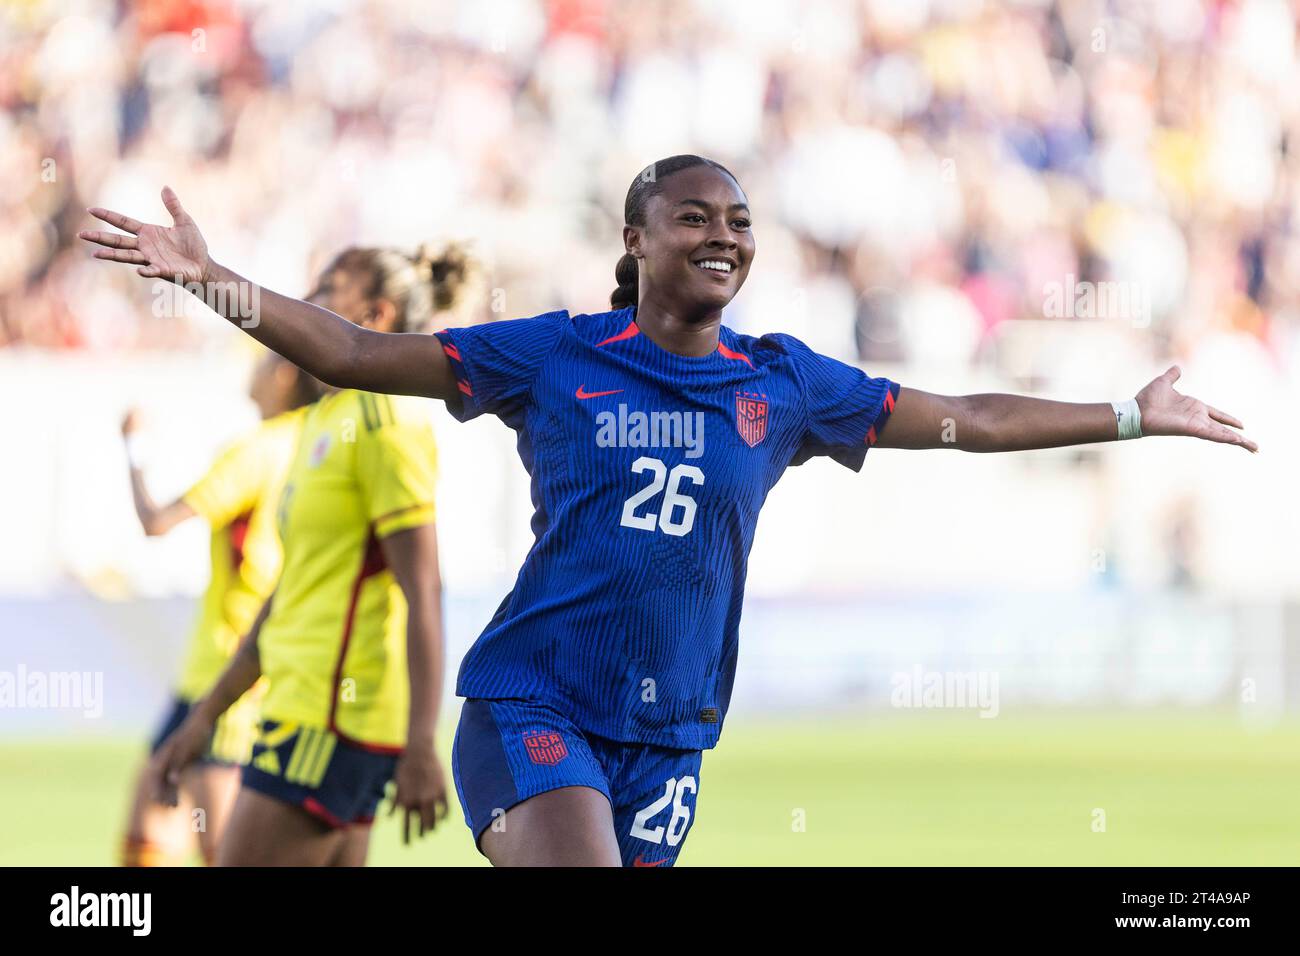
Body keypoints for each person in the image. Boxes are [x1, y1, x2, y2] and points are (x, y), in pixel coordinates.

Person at [81, 155, 1257, 867]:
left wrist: (1125, 411)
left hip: (673, 734)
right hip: (531, 703)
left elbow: (965, 417)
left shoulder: (783, 382)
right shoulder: (552, 356)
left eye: (737, 221)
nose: (723, 237)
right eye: (693, 218)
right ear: (635, 240)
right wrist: (206, 274)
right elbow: (351, 347)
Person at [144, 246, 470, 865]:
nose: (309, 297)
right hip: (298, 713)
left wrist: (423, 741)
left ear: (375, 314)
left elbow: (422, 587)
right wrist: (205, 717)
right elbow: (287, 596)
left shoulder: (384, 419)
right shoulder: (326, 420)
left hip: (331, 722)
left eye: (329, 287)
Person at [119, 352, 318, 865]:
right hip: (206, 675)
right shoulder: (310, 442)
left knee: (221, 850)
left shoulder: (259, 449)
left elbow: (157, 522)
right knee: (148, 827)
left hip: (236, 677)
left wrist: (134, 445)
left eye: (263, 360)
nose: (250, 368)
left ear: (283, 375)